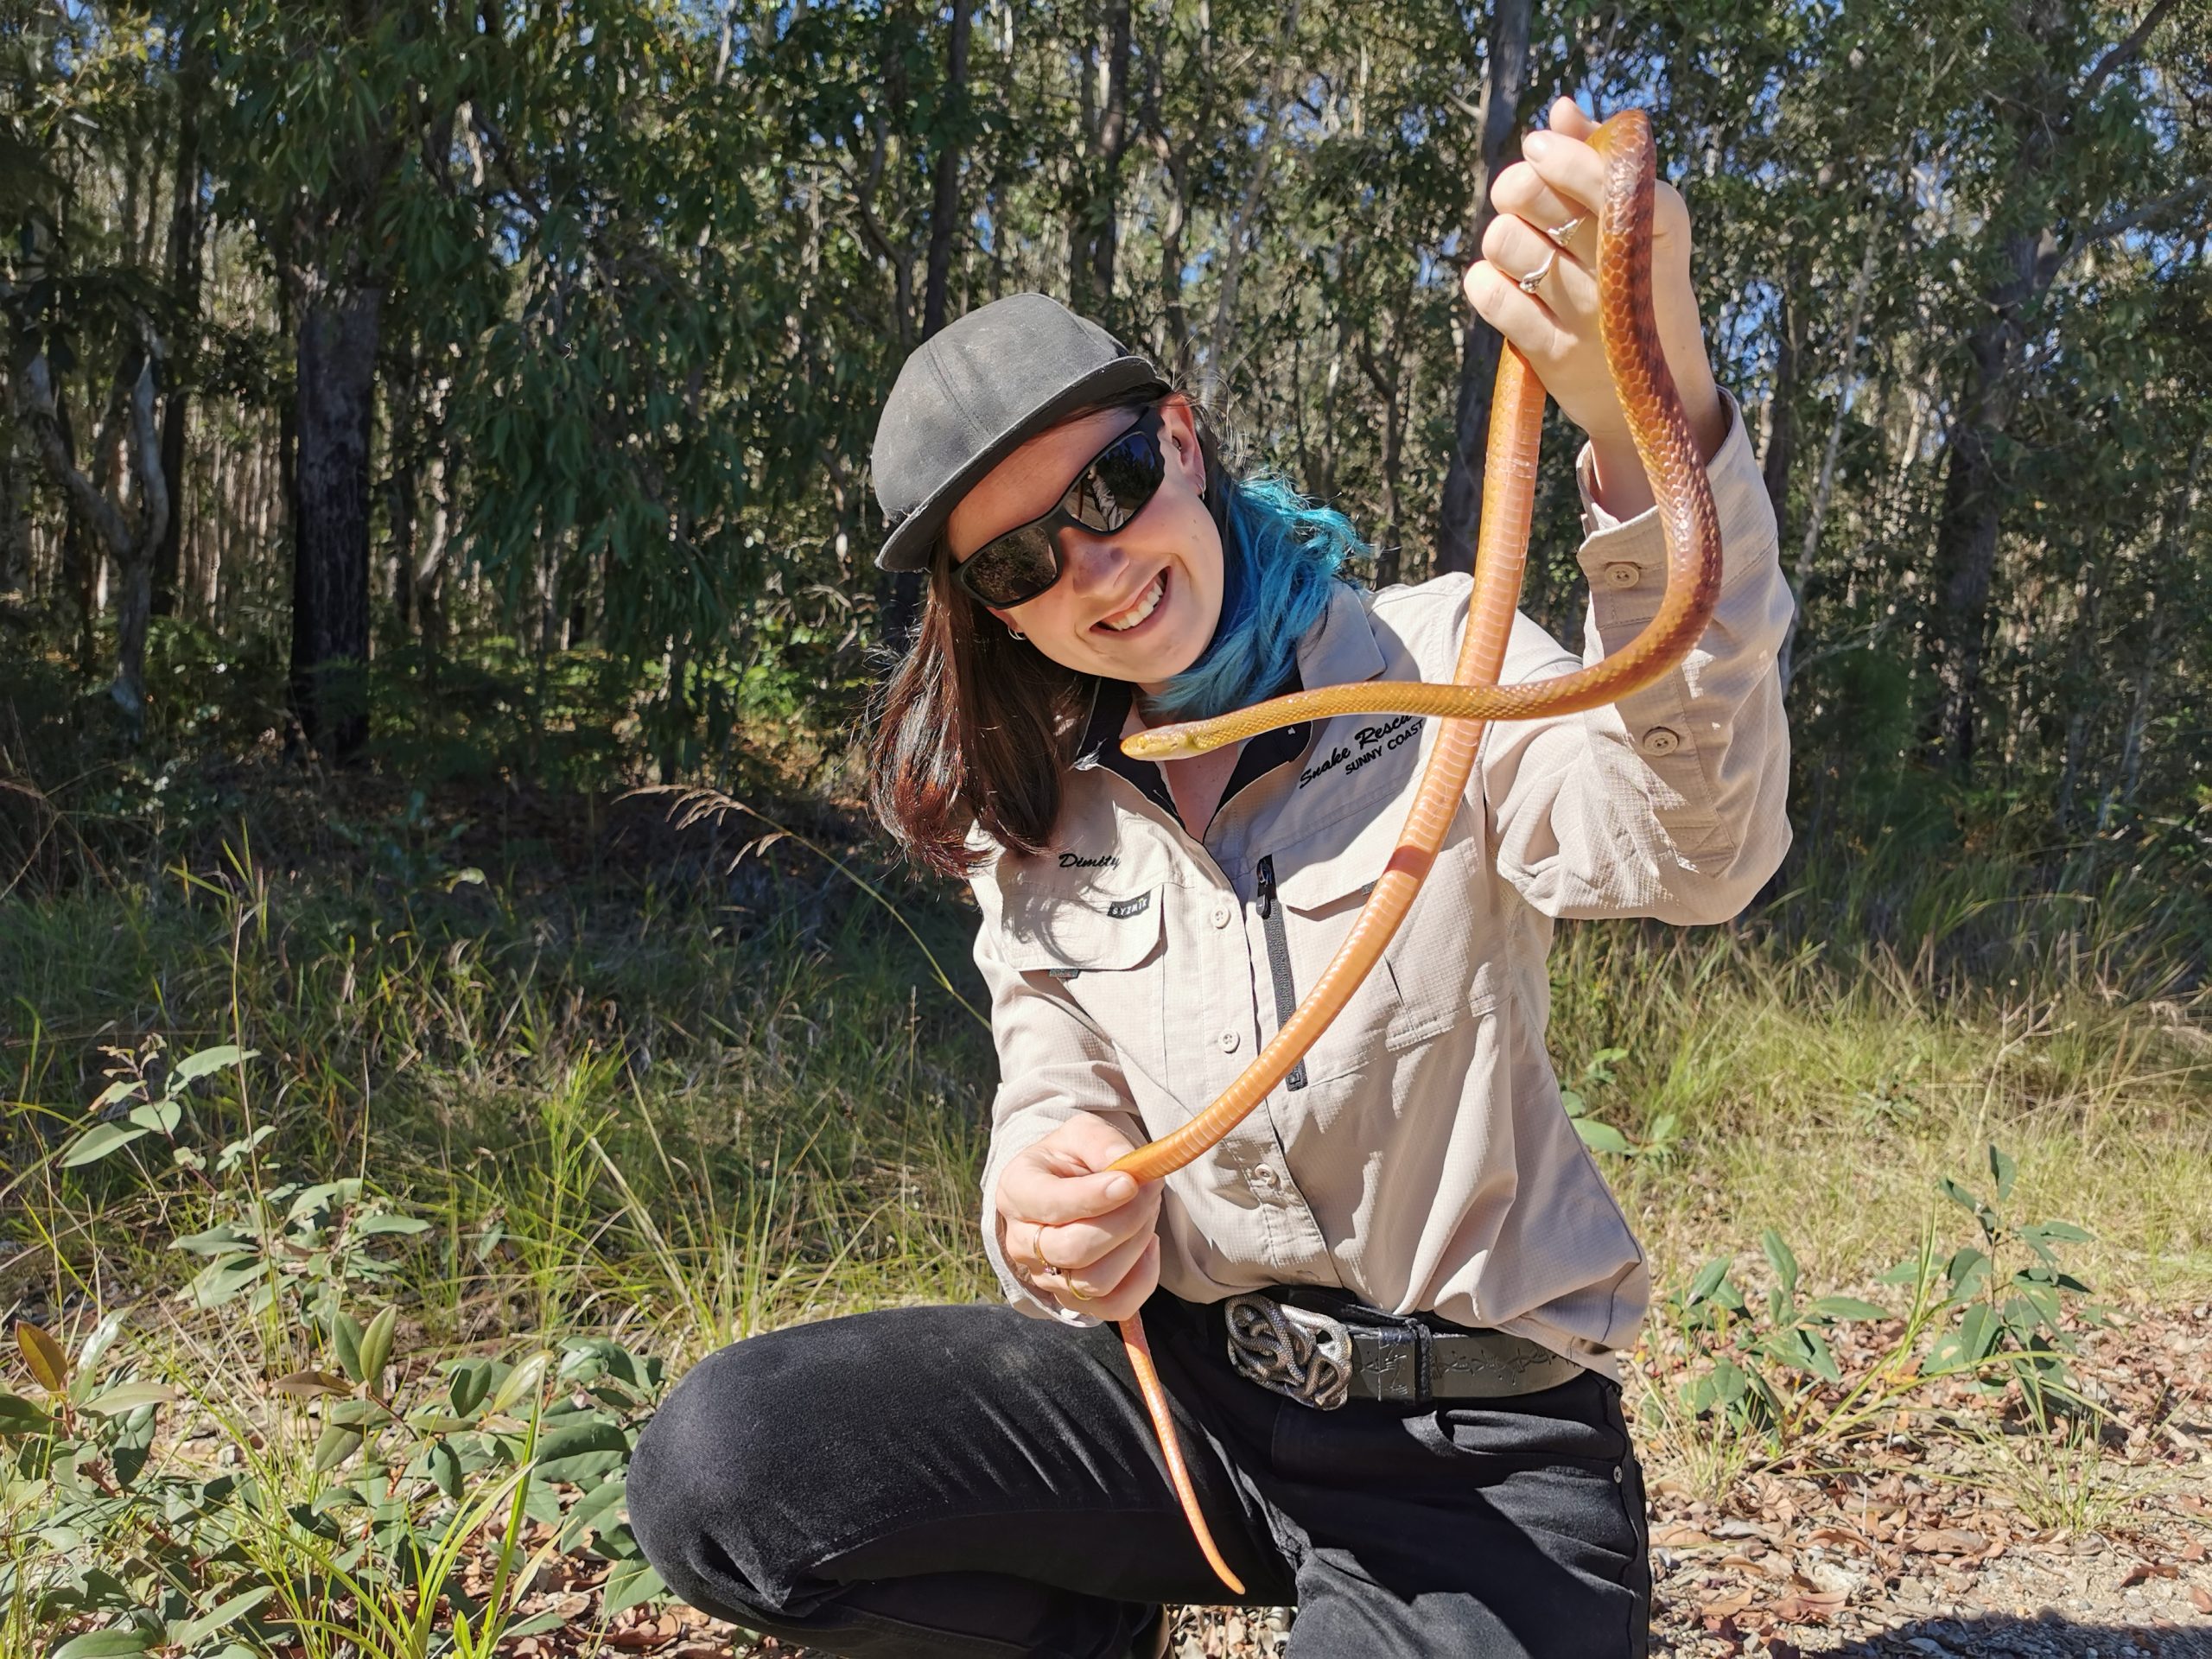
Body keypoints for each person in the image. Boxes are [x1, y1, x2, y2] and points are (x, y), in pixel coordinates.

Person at [628, 98, 1792, 1658]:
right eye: (1019, 563)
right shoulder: (1031, 811)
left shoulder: (1439, 661)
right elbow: (1052, 1079)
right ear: (988, 612)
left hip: (1481, 1457)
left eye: (1106, 492)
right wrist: (1043, 1200)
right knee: (730, 1470)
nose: (1094, 572)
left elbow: (1700, 849)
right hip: (1184, 1413)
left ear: (1179, 439)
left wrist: (1651, 420)